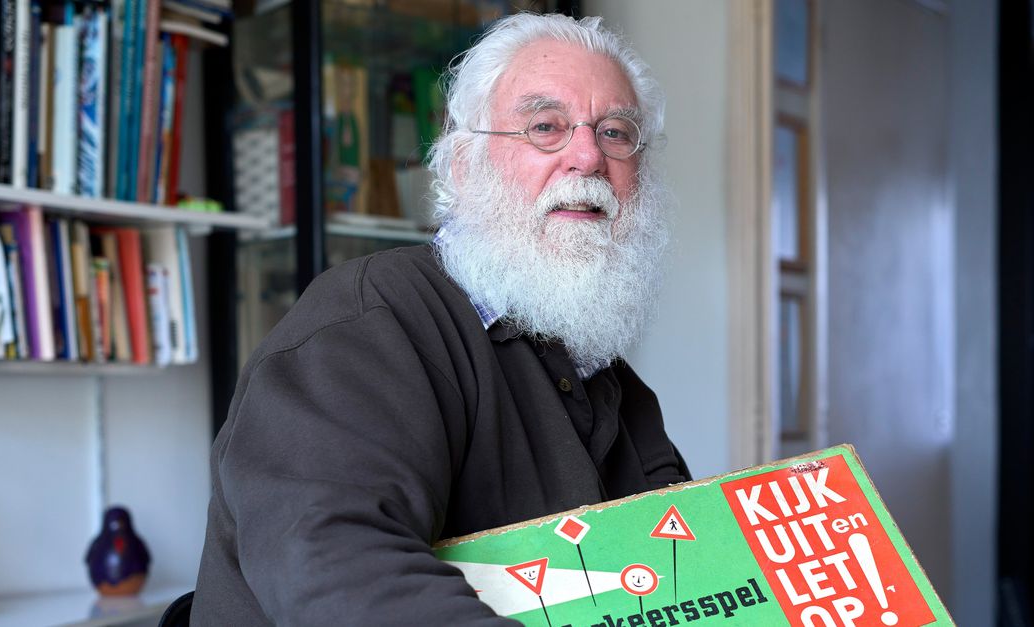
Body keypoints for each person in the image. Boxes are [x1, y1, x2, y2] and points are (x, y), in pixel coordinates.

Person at [192, 12, 690, 625]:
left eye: (615, 132)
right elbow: (339, 574)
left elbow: (679, 570)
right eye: (545, 126)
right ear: (462, 165)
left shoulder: (608, 376)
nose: (587, 156)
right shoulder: (371, 319)